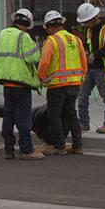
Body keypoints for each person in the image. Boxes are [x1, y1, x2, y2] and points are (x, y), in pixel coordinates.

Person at [0, 8, 43, 161]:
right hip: (21, 84)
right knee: (23, 119)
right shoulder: (24, 37)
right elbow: (34, 58)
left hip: (7, 83)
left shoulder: (2, 34)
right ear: (28, 23)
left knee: (8, 117)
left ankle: (9, 150)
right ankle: (26, 150)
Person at [36, 9, 85, 155]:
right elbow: (83, 61)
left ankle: (59, 146)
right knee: (71, 114)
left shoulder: (52, 41)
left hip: (57, 85)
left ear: (49, 26)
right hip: (74, 84)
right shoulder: (75, 39)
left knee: (54, 115)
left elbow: (44, 63)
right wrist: (80, 78)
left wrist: (41, 78)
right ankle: (78, 145)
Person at [76, 2, 105, 134]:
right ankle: (83, 123)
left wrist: (95, 55)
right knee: (82, 96)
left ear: (93, 18)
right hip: (90, 69)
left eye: (86, 22)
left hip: (102, 69)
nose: (84, 25)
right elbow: (90, 45)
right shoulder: (90, 30)